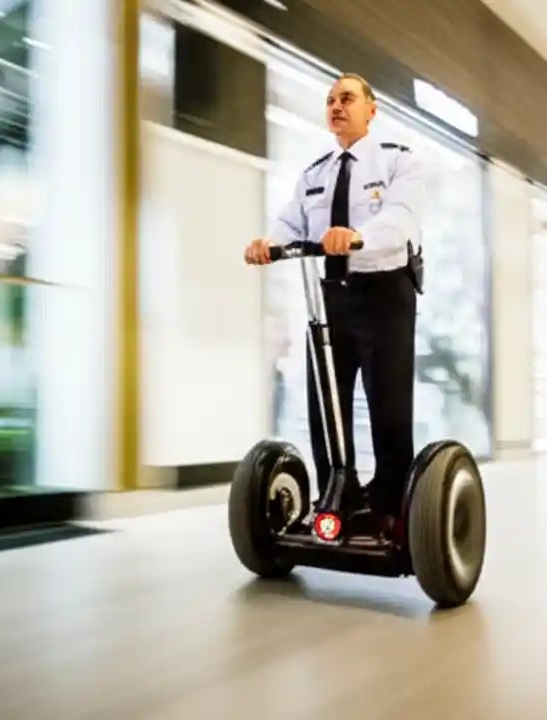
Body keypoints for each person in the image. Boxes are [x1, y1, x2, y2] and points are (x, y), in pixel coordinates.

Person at [244, 72, 426, 537]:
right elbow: (291, 221)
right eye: (330, 100)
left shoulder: (397, 162)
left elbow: (401, 219)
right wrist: (269, 242)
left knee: (387, 404)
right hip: (331, 297)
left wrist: (358, 236)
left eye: (347, 98)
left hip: (385, 292)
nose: (336, 106)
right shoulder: (316, 173)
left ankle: (390, 507)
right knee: (326, 401)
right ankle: (336, 496)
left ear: (372, 109)